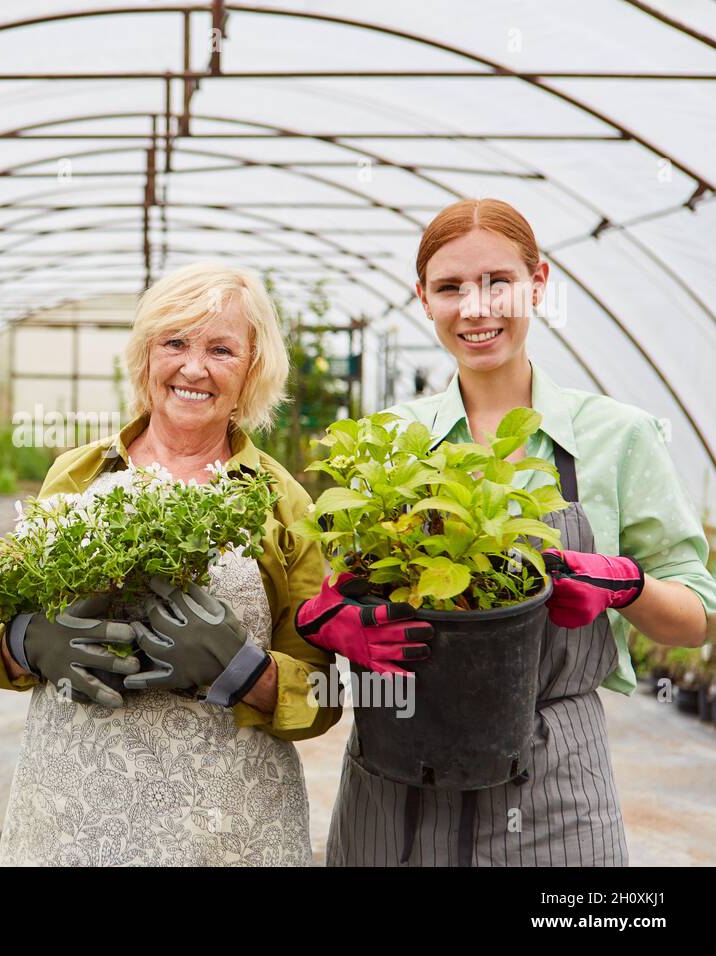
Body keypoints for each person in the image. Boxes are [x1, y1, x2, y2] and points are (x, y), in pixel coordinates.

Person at [298, 198, 716, 866]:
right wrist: (330, 617)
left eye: (499, 282)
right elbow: (340, 587)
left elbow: (696, 618)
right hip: (400, 778)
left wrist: (628, 587)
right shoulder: (389, 443)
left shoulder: (616, 436)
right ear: (423, 299)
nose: (477, 308)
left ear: (539, 285)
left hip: (554, 783)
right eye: (450, 287)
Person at [0, 262, 353, 866]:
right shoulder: (81, 474)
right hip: (73, 817)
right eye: (175, 342)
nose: (193, 368)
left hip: (228, 828)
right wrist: (27, 639)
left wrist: (243, 669)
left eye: (221, 349)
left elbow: (322, 693)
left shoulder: (281, 501)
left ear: (252, 370)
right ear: (146, 356)